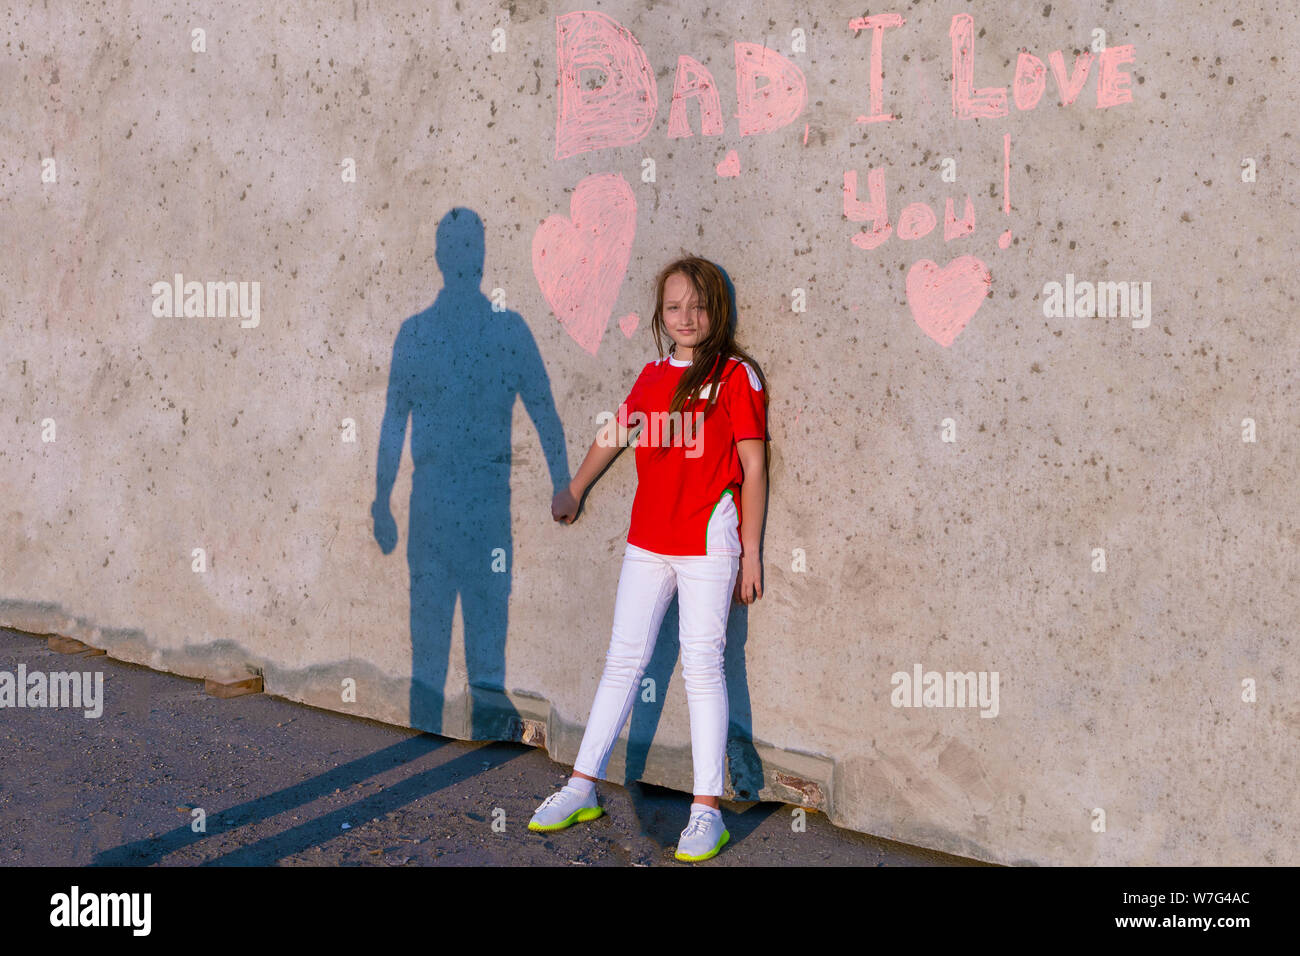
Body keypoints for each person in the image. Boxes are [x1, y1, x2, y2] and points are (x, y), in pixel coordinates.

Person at [529, 256, 770, 862]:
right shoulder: (651, 375)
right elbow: (616, 432)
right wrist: (576, 487)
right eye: (673, 307)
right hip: (647, 541)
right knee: (622, 660)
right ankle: (582, 785)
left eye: (698, 305)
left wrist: (753, 554)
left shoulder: (737, 376)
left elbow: (756, 466)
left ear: (716, 311)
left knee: (703, 669)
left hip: (709, 542)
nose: (686, 317)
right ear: (661, 315)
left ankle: (706, 813)